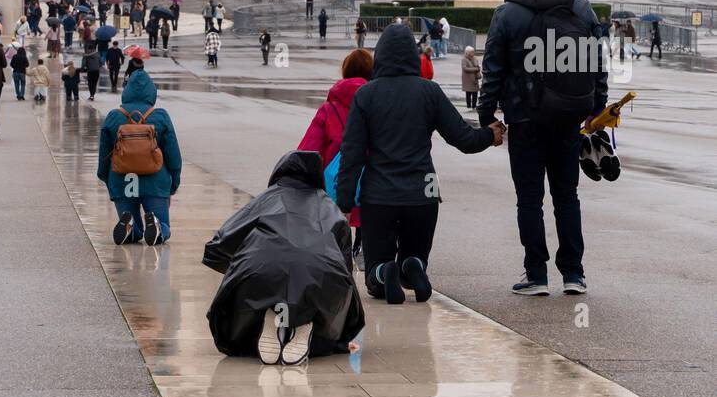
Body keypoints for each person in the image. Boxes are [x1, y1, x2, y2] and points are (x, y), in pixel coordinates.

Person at [479, 0, 606, 296]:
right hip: (568, 115)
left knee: (529, 199)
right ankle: (574, 274)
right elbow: (598, 61)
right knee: (567, 197)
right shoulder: (580, 6)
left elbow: (493, 71)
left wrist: (487, 116)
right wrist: (597, 108)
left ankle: (536, 274)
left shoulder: (507, 13)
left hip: (524, 118)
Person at [337, 24, 499, 305]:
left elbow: (352, 152)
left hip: (380, 194)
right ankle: (413, 267)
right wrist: (490, 134)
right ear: (413, 55)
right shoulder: (429, 92)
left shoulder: (366, 95)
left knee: (376, 278)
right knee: (416, 255)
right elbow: (463, 139)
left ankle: (384, 270)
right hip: (424, 192)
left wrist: (345, 196)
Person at [203, 150, 364, 365]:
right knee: (318, 287)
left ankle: (273, 319)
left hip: (262, 271)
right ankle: (304, 322)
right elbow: (344, 266)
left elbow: (220, 243)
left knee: (266, 283)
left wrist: (235, 267)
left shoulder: (267, 199)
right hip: (319, 277)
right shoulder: (327, 205)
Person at [299, 48, 373, 263]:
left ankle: (341, 262)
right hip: (374, 183)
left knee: (335, 236)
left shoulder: (329, 108)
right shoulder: (378, 103)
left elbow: (308, 149)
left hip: (337, 182)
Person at [97, 63, 182, 247]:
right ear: (152, 92)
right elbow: (173, 154)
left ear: (126, 92)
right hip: (155, 181)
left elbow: (104, 154)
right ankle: (157, 226)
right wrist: (173, 183)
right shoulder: (160, 116)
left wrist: (107, 179)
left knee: (133, 233)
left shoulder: (114, 116)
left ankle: (131, 227)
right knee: (163, 225)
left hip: (122, 180)